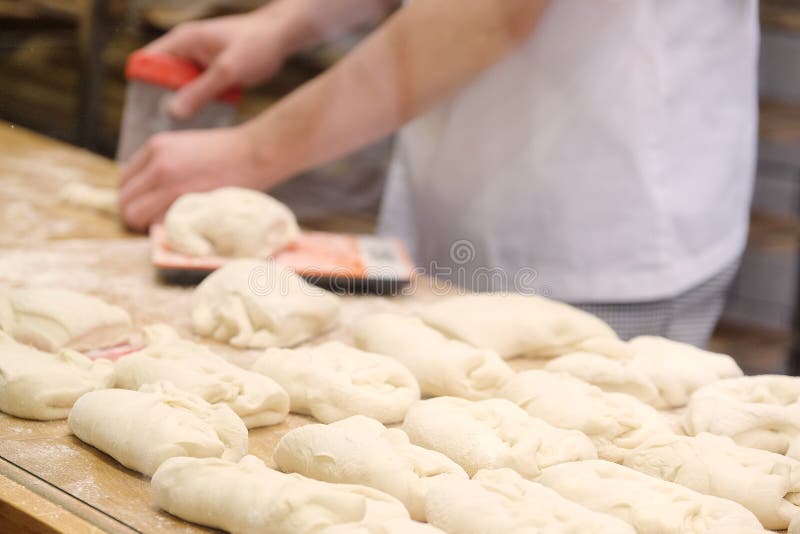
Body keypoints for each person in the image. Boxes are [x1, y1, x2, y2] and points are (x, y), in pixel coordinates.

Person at [119, 0, 759, 347]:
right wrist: (287, 20)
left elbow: (486, 14)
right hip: (467, 199)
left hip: (598, 233)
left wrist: (249, 154)